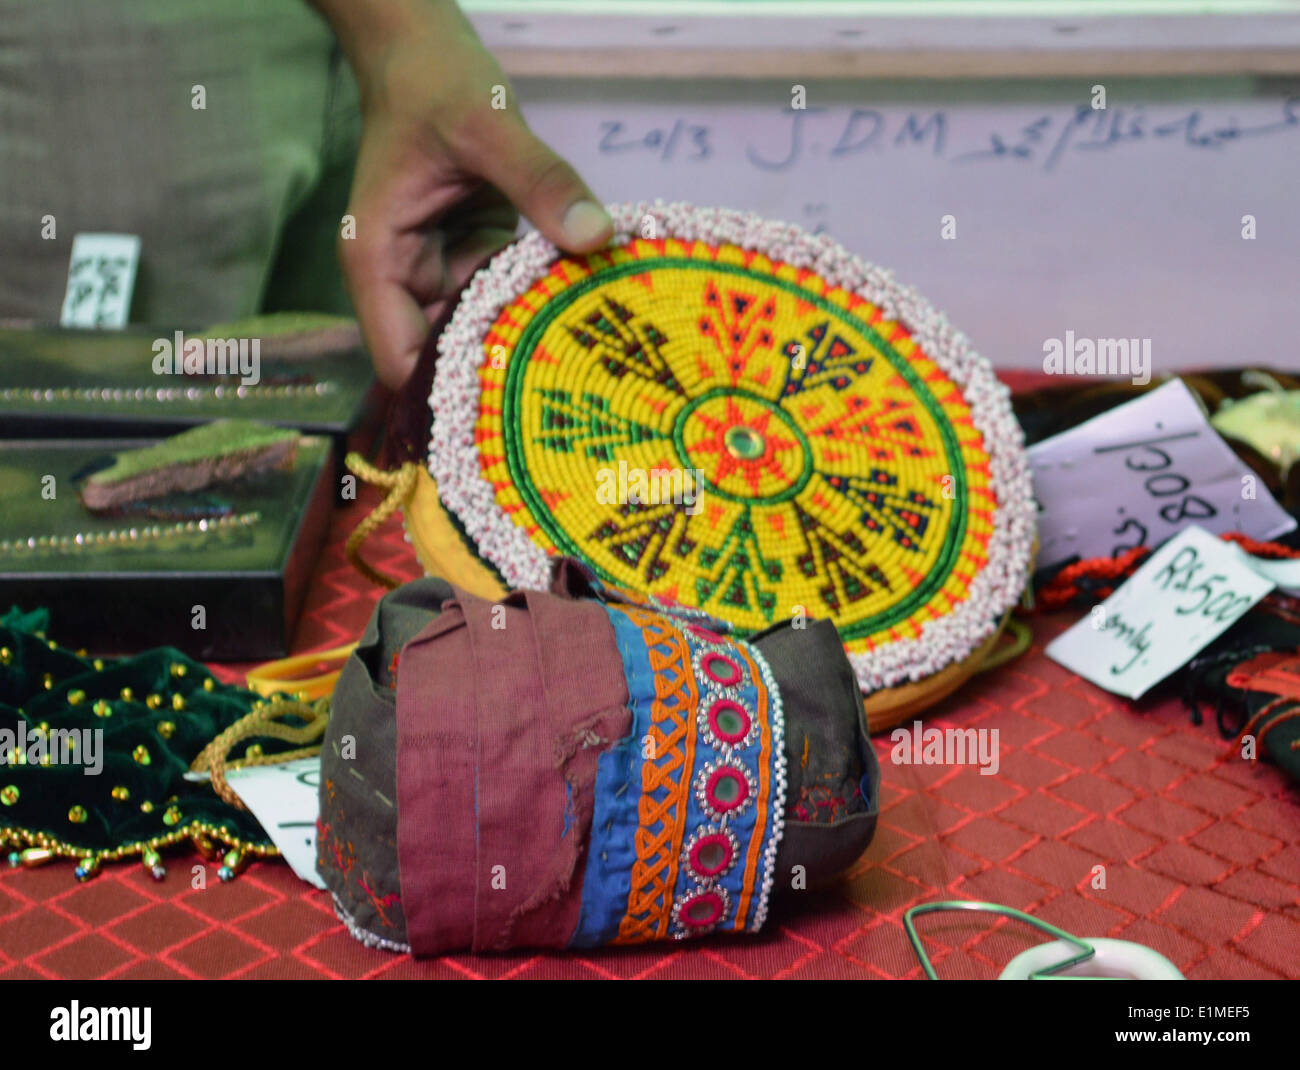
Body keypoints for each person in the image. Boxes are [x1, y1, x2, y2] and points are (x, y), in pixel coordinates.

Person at [0, 0, 612, 390]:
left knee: (332, 415)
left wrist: (403, 32)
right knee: (108, 427)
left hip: (339, 36)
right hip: (116, 38)